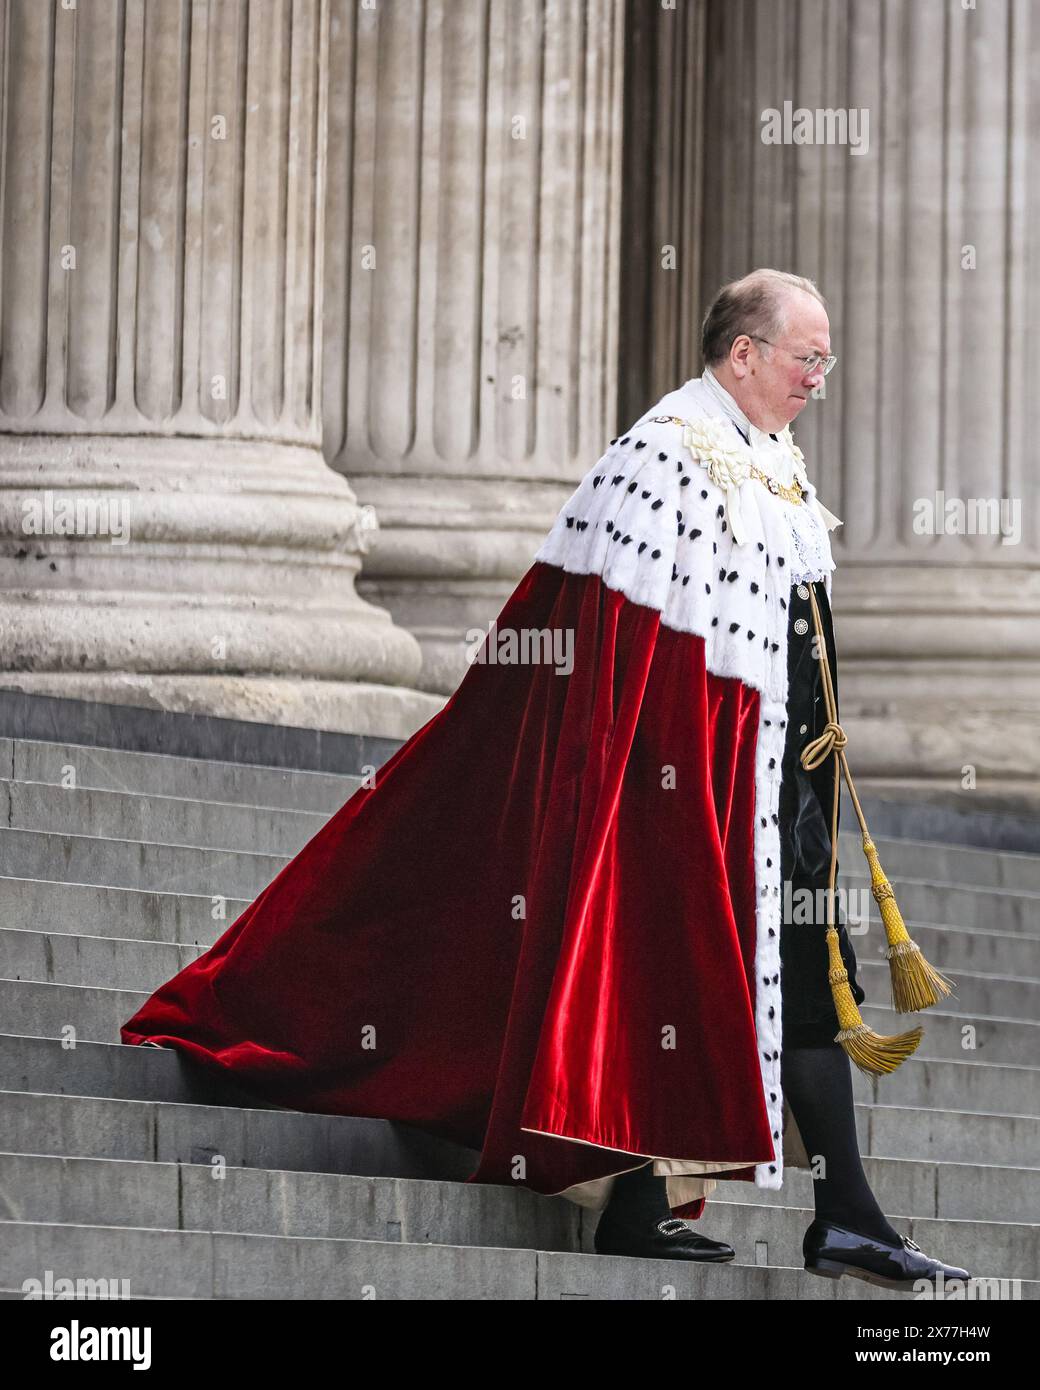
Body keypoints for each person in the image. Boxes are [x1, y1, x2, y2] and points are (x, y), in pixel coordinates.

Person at [121, 268, 970, 1291]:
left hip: (777, 785)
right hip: (687, 786)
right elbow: (614, 647)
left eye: (821, 364)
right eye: (805, 358)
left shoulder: (772, 462)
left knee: (793, 970)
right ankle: (784, 1214)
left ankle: (780, 1212)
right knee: (697, 967)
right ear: (741, 352)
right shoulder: (662, 453)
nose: (815, 379)